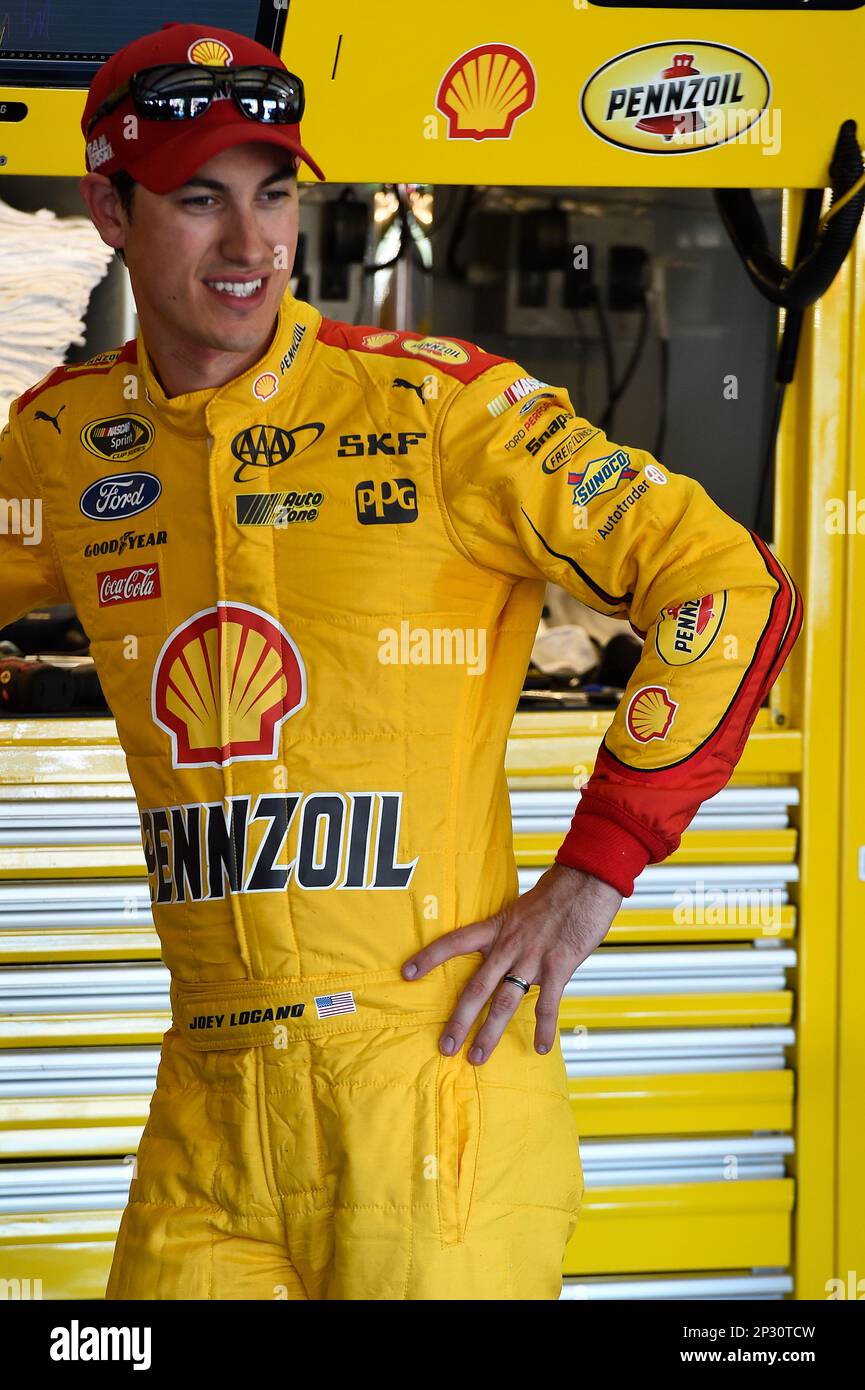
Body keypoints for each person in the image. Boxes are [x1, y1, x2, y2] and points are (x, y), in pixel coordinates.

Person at [0, 21, 802, 1300]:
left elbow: (731, 583)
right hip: (206, 1108)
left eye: (275, 195)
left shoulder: (443, 415)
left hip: (435, 1095)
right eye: (200, 199)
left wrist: (593, 874)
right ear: (109, 205)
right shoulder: (65, 440)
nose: (252, 245)